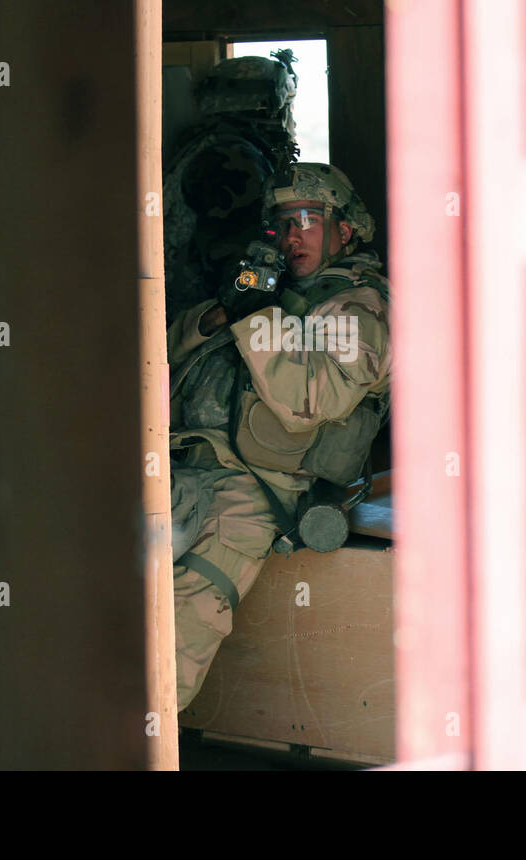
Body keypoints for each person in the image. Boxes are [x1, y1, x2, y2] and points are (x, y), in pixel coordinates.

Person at [167, 162, 391, 712]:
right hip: (179, 461)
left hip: (254, 486)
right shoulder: (270, 290)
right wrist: (226, 308)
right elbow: (164, 348)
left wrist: (253, 318)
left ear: (344, 231)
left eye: (310, 219)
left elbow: (312, 399)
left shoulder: (359, 308)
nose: (293, 234)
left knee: (181, 619)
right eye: (284, 222)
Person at [162, 52, 299, 323]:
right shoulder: (231, 159)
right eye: (288, 106)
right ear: (269, 105)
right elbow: (239, 260)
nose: (290, 119)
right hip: (204, 323)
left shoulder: (211, 147)